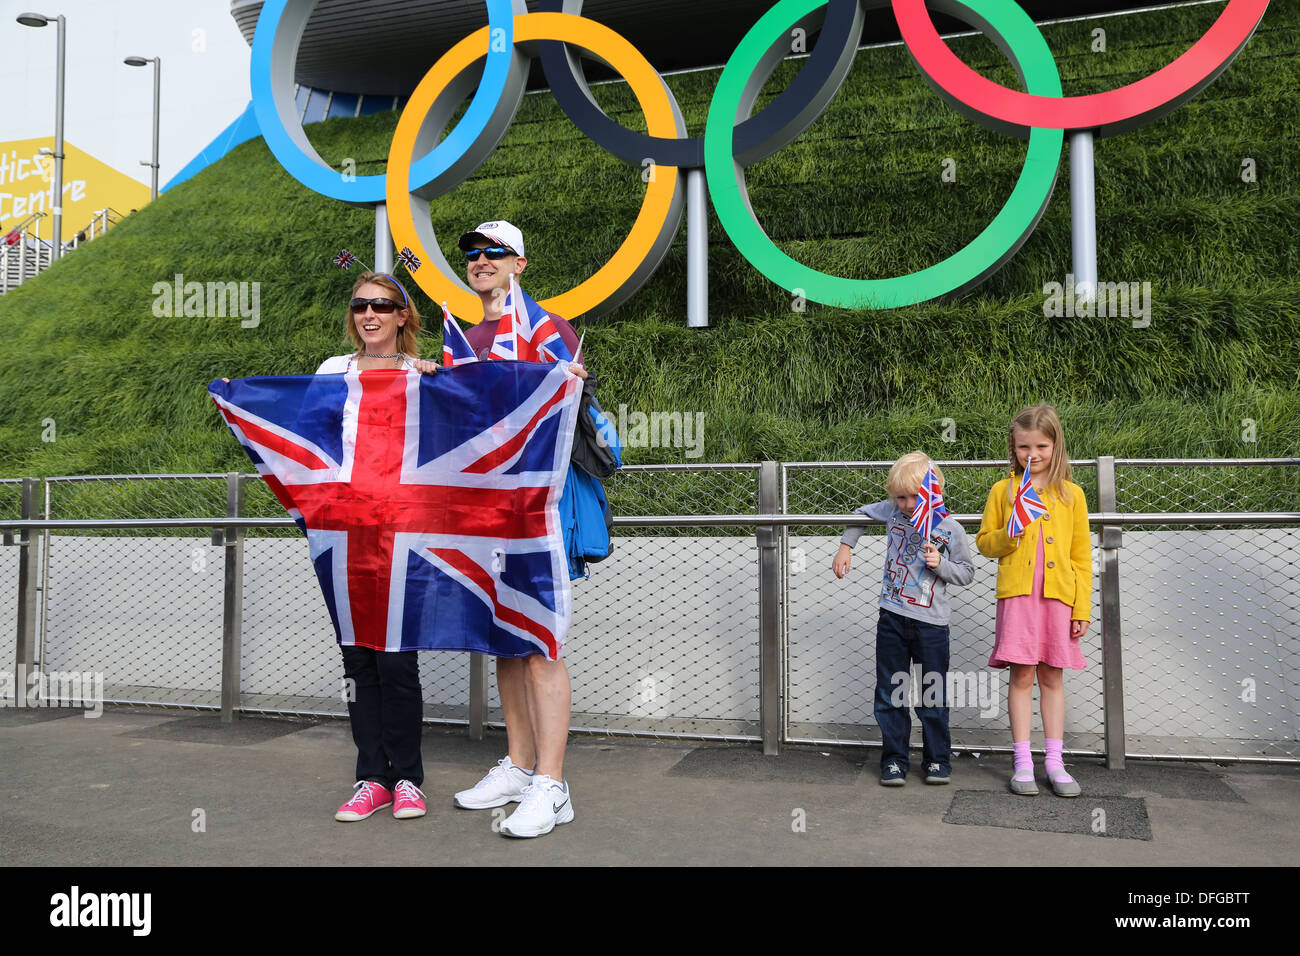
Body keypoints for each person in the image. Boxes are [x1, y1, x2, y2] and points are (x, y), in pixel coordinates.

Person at [450, 219, 584, 838]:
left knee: (540, 643)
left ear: (518, 263)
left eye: (492, 253)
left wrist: (566, 386)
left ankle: (552, 786)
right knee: (505, 640)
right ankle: (519, 763)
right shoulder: (464, 337)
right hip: (483, 510)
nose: (479, 261)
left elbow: (557, 408)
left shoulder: (547, 329)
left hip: (534, 508)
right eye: (472, 254)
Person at [319, 270, 429, 822]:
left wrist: (559, 378)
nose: (370, 315)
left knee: (396, 661)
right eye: (361, 305)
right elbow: (305, 429)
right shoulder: (331, 372)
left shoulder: (419, 372)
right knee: (358, 661)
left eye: (383, 306)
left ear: (402, 316)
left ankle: (407, 778)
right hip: (344, 530)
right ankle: (371, 779)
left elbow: (480, 398)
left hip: (402, 531)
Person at [833, 452, 975, 786]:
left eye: (916, 496)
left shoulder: (950, 528)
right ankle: (894, 759)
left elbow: (966, 573)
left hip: (931, 626)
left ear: (934, 492)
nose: (909, 504)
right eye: (901, 497)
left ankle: (937, 760)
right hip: (893, 618)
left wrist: (939, 563)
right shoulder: (893, 513)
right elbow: (860, 515)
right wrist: (845, 547)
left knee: (932, 694)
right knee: (891, 693)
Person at [975, 405, 1092, 798]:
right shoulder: (1003, 491)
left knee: (1053, 676)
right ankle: (1022, 760)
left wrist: (1082, 608)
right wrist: (1011, 533)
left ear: (1056, 445)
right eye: (1024, 446)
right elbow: (985, 543)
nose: (1033, 454)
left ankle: (1055, 762)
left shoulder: (1072, 495)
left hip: (1059, 599)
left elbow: (1081, 558)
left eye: (1041, 445)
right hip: (1019, 598)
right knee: (1022, 675)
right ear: (1014, 447)